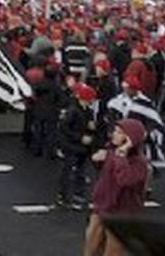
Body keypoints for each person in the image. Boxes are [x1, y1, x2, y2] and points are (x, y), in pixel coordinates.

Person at [84, 119, 149, 256]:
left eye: (119, 132)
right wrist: (98, 160)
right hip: (102, 209)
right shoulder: (111, 152)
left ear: (130, 139)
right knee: (91, 248)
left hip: (122, 214)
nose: (114, 134)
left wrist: (121, 155)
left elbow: (125, 180)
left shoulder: (139, 163)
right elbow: (105, 176)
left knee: (113, 251)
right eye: (115, 131)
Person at [57, 84, 98, 210]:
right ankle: (65, 196)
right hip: (72, 146)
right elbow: (64, 128)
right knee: (69, 171)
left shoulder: (86, 111)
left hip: (80, 147)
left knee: (79, 171)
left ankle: (76, 195)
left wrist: (91, 128)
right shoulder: (73, 111)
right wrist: (80, 137)